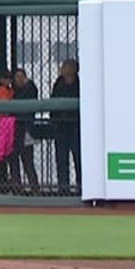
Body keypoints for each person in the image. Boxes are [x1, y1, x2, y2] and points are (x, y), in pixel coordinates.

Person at [49, 59, 81, 193]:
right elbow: (53, 104)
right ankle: (63, 189)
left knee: (79, 160)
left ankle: (81, 187)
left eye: (65, 67)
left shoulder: (80, 84)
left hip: (75, 128)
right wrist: (55, 122)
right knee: (61, 161)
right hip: (61, 128)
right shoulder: (58, 84)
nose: (62, 69)